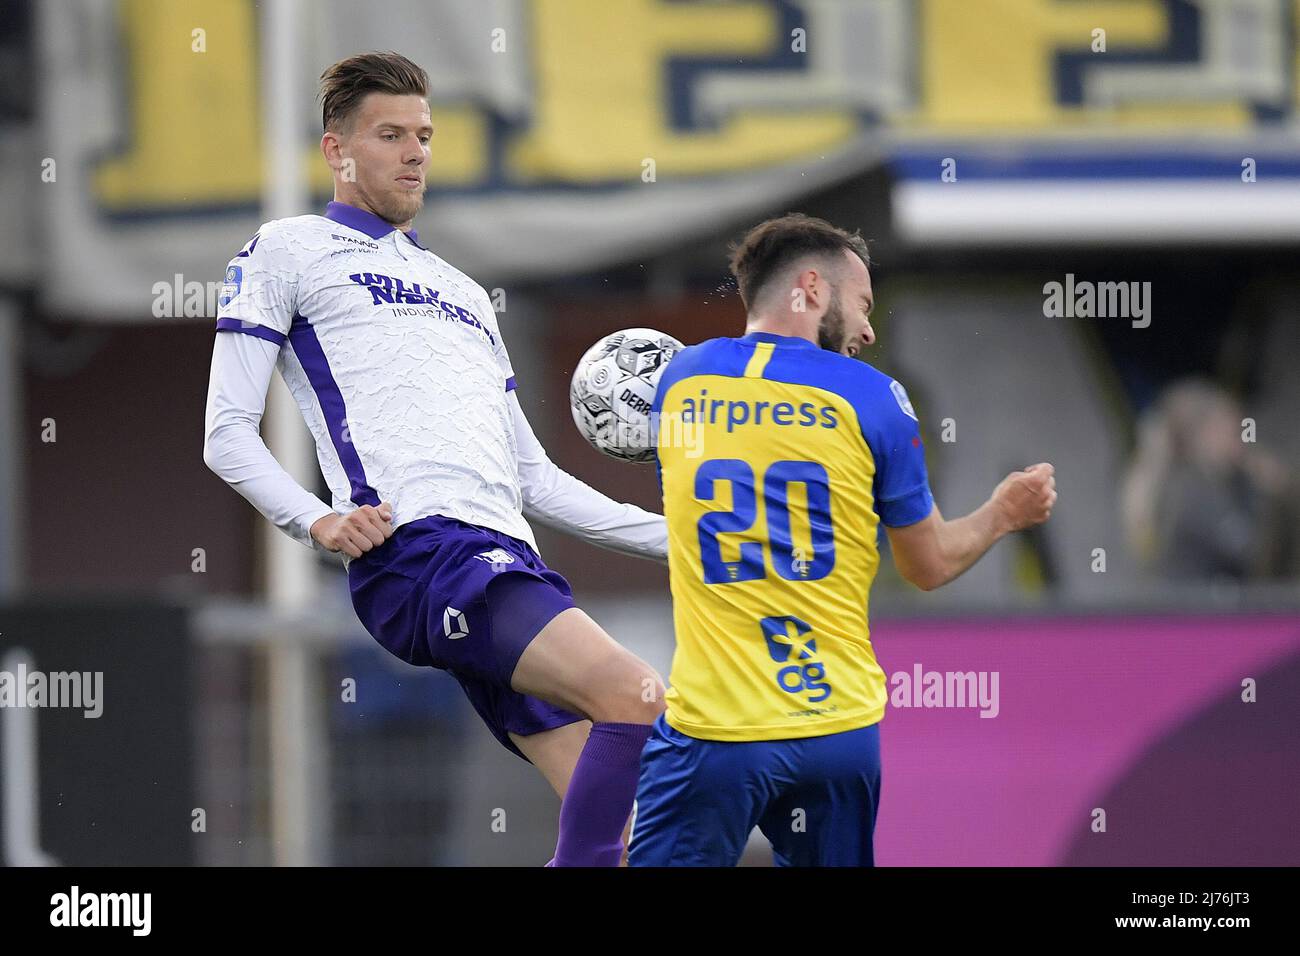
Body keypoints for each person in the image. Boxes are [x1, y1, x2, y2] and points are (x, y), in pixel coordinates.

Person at [203, 51, 666, 867]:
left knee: (632, 826)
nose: (416, 151)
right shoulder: (287, 249)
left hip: (503, 561)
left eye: (423, 134)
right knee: (634, 693)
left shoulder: (462, 292)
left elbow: (535, 480)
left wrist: (680, 538)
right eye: (390, 135)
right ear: (336, 151)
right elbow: (227, 431)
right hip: (421, 557)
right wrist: (316, 520)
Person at [629, 213, 1057, 866]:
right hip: (837, 734)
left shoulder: (682, 380)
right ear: (811, 288)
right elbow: (929, 565)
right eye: (862, 304)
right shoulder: (876, 399)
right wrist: (1002, 513)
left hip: (717, 734)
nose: (868, 329)